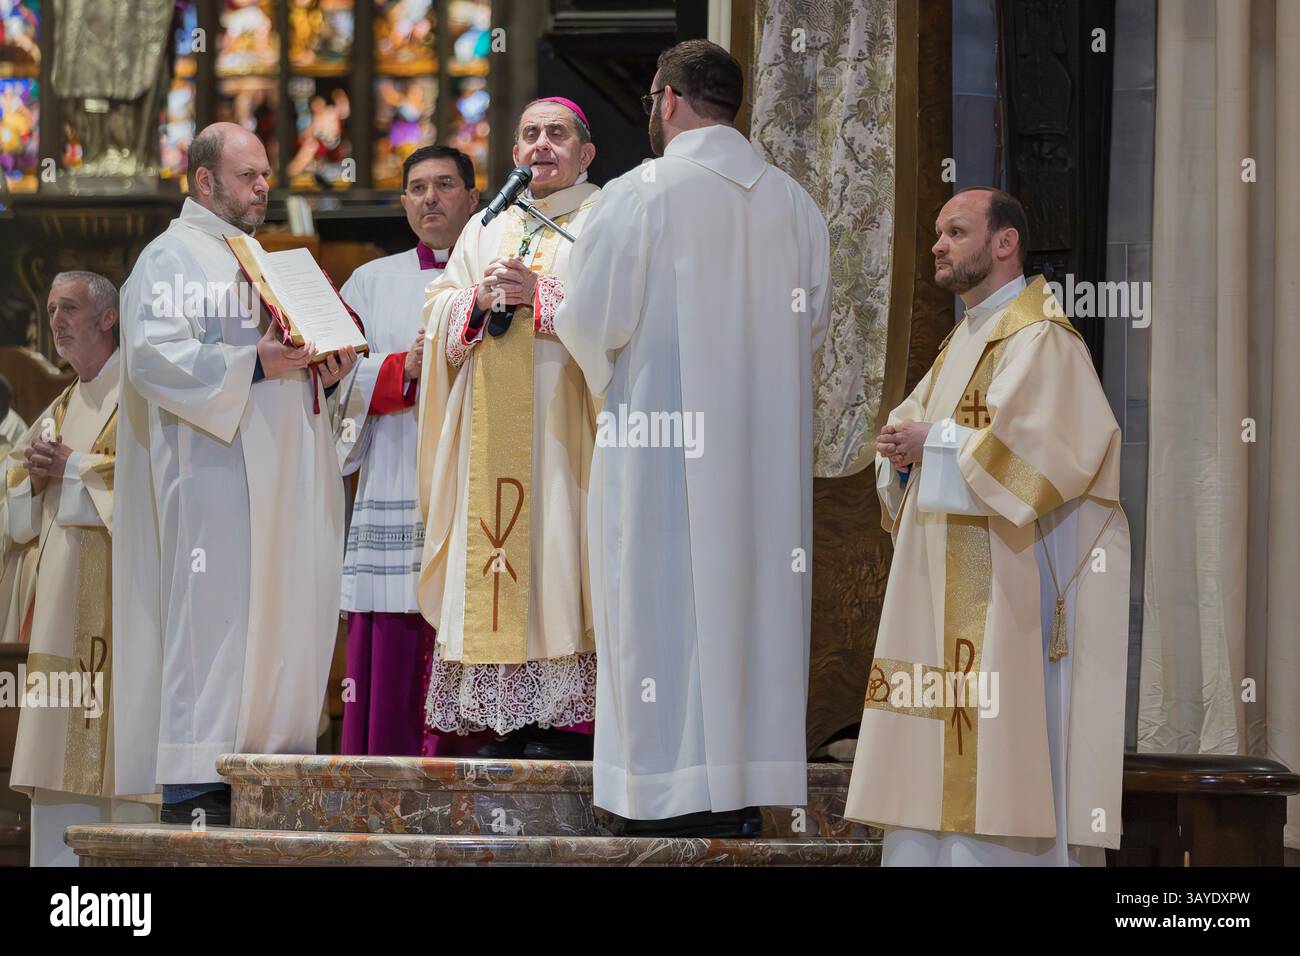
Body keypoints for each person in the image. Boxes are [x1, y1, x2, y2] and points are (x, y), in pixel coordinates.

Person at [553, 40, 830, 835]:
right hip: (763, 467)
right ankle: (740, 796)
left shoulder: (640, 195)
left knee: (658, 611)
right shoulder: (796, 205)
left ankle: (658, 802)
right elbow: (809, 330)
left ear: (667, 99)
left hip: (661, 459)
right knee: (753, 613)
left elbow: (588, 321)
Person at [845, 187, 1129, 866]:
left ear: (1005, 243)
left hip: (1006, 592)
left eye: (956, 231)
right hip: (939, 591)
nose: (938, 244)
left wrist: (932, 446)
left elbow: (1044, 460)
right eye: (939, 231)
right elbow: (916, 436)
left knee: (994, 762)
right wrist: (901, 458)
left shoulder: (1042, 339)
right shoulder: (965, 338)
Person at [113, 122, 358, 825]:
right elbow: (153, 358)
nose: (262, 188)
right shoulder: (169, 259)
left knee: (280, 624)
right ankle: (199, 790)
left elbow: (294, 359)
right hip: (215, 486)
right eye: (249, 176)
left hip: (283, 484)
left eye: (266, 178)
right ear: (203, 181)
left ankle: (272, 776)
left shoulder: (263, 257)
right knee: (216, 632)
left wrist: (330, 366)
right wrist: (252, 362)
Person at [415, 98, 601, 758]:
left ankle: (567, 723)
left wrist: (540, 298)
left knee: (558, 555)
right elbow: (436, 312)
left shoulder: (604, 217)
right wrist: (473, 301)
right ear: (515, 154)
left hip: (563, 433)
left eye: (556, 134)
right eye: (528, 135)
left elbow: (619, 319)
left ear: (585, 154)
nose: (540, 145)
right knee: (493, 561)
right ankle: (507, 720)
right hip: (486, 435)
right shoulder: (489, 226)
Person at [334, 144, 482, 756]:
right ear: (403, 202)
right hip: (396, 477)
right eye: (418, 187)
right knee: (391, 654)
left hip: (477, 489)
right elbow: (334, 376)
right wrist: (404, 370)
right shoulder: (371, 282)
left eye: (445, 184)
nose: (430, 198)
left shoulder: (501, 273)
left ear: (473, 198)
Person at [6, 272, 157, 865]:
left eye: (69, 308)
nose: (56, 321)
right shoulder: (61, 404)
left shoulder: (143, 394)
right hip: (61, 623)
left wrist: (72, 469)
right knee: (57, 779)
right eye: (49, 311)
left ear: (108, 318)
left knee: (124, 777)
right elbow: (18, 517)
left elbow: (146, 489)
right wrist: (39, 479)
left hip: (125, 614)